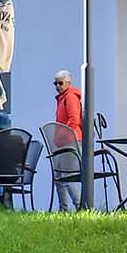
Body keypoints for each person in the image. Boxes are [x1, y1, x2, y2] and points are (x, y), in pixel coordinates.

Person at [51, 70, 84, 209]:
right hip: (63, 141)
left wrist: (62, 133)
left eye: (60, 83)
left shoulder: (70, 97)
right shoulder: (62, 98)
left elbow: (74, 120)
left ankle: (79, 206)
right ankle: (63, 208)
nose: (58, 86)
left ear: (68, 83)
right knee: (58, 176)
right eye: (55, 83)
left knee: (68, 176)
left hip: (70, 140)